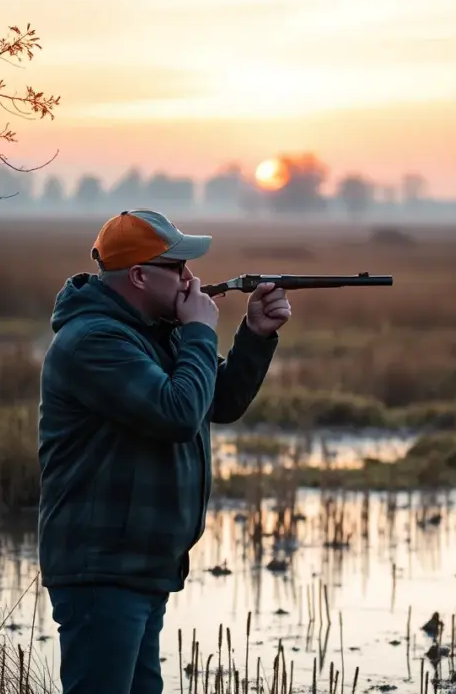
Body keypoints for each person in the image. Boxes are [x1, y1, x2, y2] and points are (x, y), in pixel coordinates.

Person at [37, 209, 290, 694]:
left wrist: (255, 335)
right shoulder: (94, 341)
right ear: (137, 275)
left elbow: (216, 402)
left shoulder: (152, 332)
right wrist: (198, 331)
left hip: (140, 567)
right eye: (177, 268)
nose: (190, 280)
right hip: (102, 568)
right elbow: (177, 414)